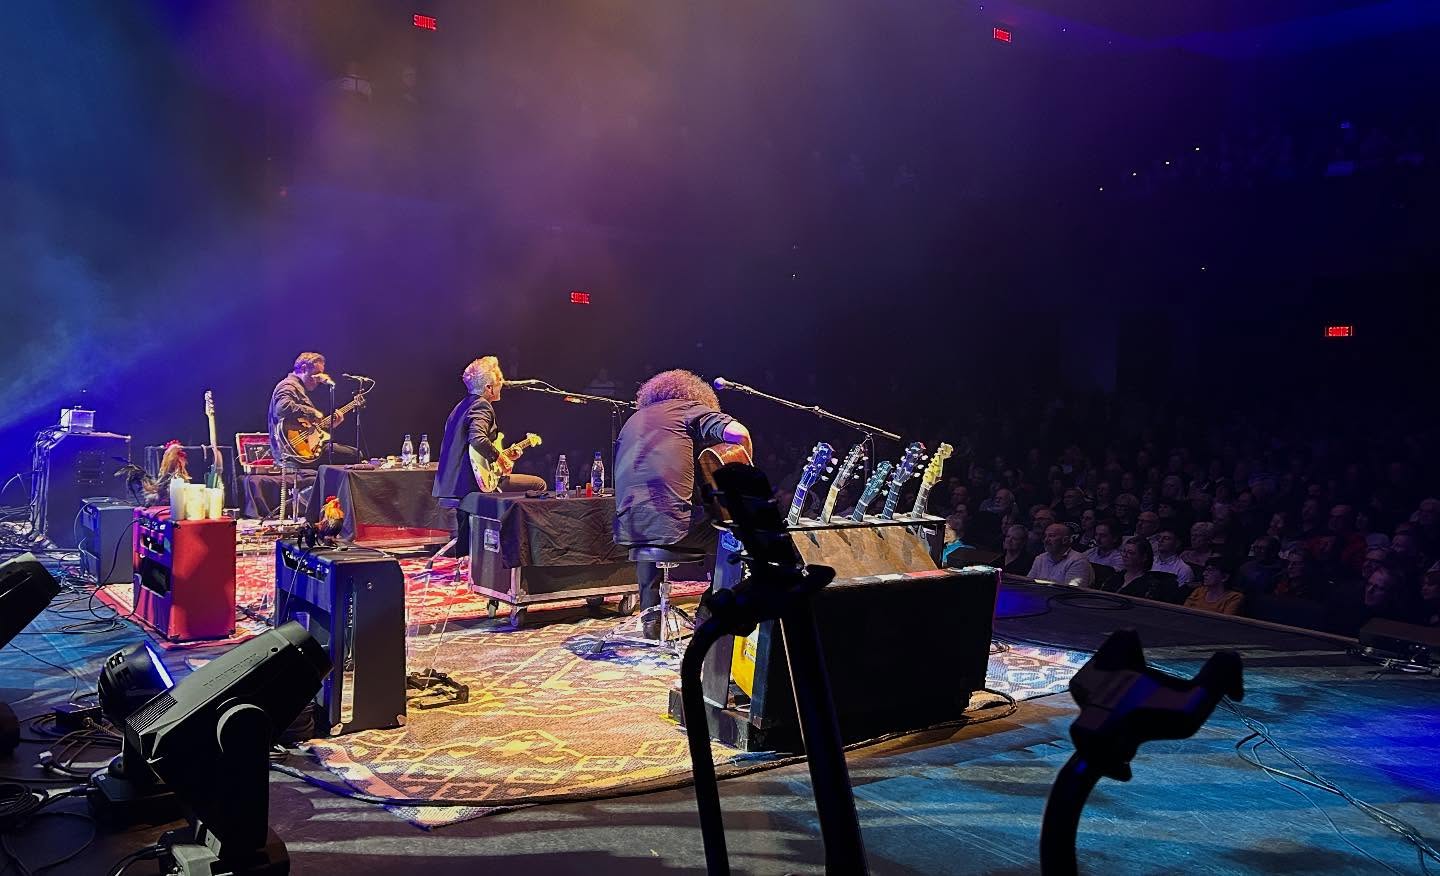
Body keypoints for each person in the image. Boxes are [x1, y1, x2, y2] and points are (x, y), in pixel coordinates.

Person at [613, 369, 751, 638]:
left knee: (655, 520)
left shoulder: (633, 420)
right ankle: (708, 617)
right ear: (698, 395)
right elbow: (738, 433)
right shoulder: (689, 409)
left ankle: (650, 620)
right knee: (743, 536)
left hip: (628, 527)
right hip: (672, 528)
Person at [434, 355, 547, 500]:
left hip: (450, 485)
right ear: (489, 388)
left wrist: (504, 455)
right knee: (539, 485)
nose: (503, 383)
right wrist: (501, 458)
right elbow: (478, 439)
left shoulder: (461, 407)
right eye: (499, 380)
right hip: (469, 486)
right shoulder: (482, 406)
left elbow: (470, 450)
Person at [268, 352, 362, 467]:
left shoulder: (298, 388)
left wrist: (331, 425)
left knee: (352, 454)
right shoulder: (288, 386)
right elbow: (283, 407)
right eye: (316, 374)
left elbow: (307, 428)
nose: (319, 379)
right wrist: (313, 412)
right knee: (355, 455)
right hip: (292, 452)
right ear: (303, 369)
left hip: (305, 447)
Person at [1108, 536, 1181, 603]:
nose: (1125, 555)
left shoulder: (1150, 585)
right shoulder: (1116, 576)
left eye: (1131, 553)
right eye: (1124, 551)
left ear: (1144, 557)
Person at [1027, 524, 1094, 588]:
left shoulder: (1078, 561)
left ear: (1065, 540)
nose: (1046, 540)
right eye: (1045, 536)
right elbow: (1028, 584)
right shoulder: (1040, 558)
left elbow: (1072, 592)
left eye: (1051, 536)